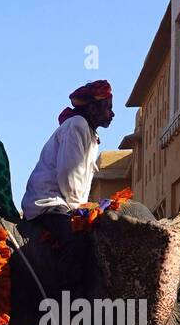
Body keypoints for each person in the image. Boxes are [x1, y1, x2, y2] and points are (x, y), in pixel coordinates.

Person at [20, 80, 115, 221]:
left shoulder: (91, 134)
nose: (112, 114)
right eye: (108, 108)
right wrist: (80, 209)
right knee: (79, 241)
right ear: (93, 109)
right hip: (49, 204)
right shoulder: (77, 124)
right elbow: (69, 173)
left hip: (66, 204)